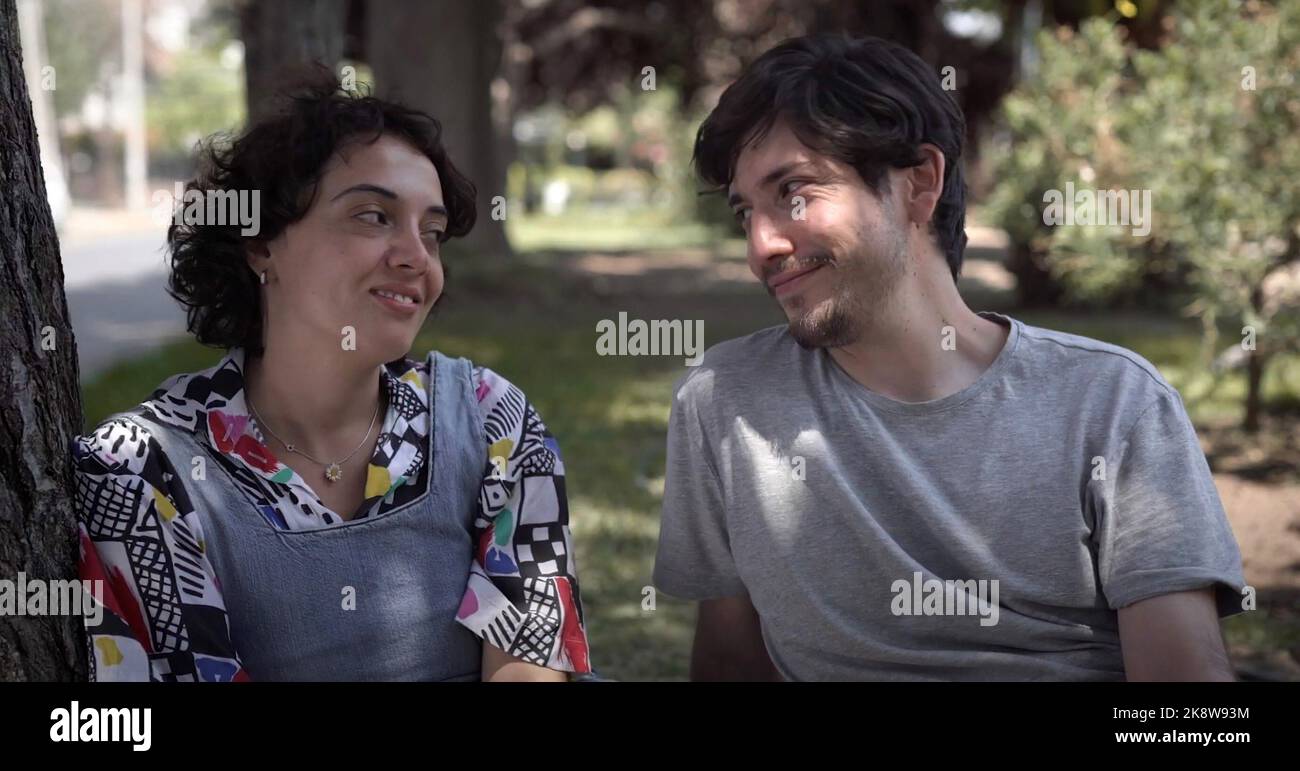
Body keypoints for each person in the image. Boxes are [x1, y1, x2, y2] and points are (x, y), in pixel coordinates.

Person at [653, 35, 1246, 681]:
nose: (761, 245)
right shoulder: (726, 398)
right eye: (745, 213)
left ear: (919, 184)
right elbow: (729, 663)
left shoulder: (1111, 403)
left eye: (793, 192)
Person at [73, 77, 590, 681]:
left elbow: (528, 664)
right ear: (262, 243)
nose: (416, 258)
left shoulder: (490, 419)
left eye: (432, 232)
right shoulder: (140, 472)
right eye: (374, 217)